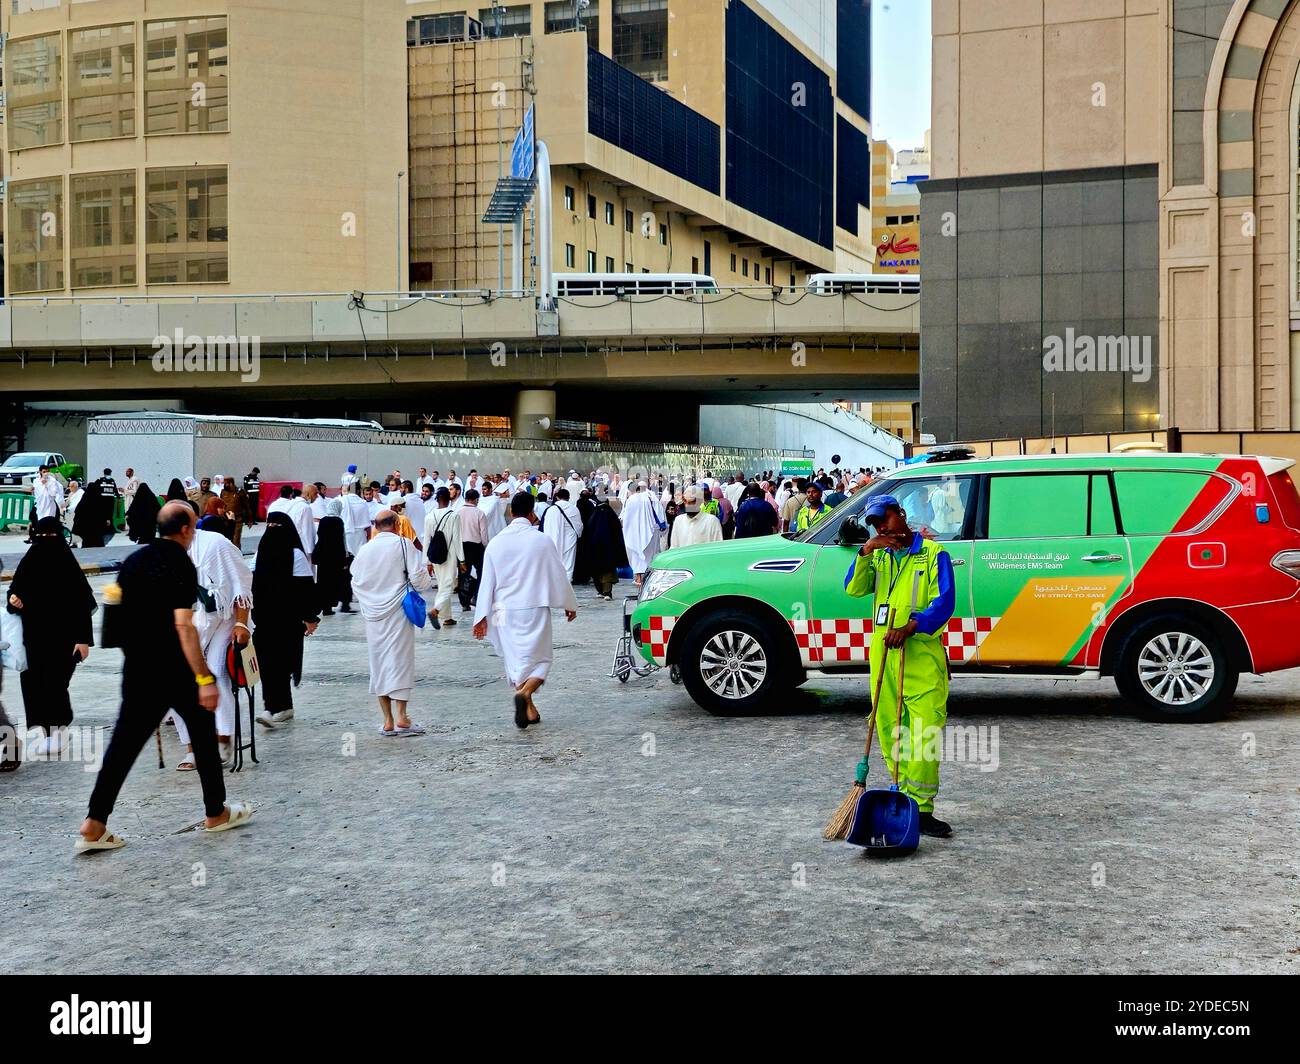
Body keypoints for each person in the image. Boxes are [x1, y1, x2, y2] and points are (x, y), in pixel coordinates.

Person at [77, 503, 253, 853]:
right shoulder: (180, 565)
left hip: (138, 670)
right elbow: (184, 627)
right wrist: (204, 679)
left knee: (123, 746)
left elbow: (115, 624)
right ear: (187, 529)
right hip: (175, 669)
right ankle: (215, 812)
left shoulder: (133, 561)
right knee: (203, 734)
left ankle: (94, 822)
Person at [844, 494, 957, 838]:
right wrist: (866, 551)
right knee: (890, 728)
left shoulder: (934, 555)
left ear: (902, 514)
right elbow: (852, 588)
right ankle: (901, 796)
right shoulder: (879, 556)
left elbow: (945, 602)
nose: (881, 527)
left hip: (920, 656)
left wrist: (912, 626)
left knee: (923, 733)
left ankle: (921, 808)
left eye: (885, 519)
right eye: (875, 523)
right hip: (884, 657)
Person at [473, 493, 578, 729]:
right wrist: (569, 603)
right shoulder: (541, 541)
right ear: (532, 513)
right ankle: (524, 693)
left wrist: (480, 616)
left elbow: (486, 581)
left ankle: (530, 709)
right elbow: (558, 574)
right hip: (533, 607)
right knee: (541, 659)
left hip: (502, 610)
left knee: (515, 659)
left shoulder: (497, 543)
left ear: (511, 513)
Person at [5, 518, 97, 756]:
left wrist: (83, 639)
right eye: (42, 536)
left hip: (64, 638)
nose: (45, 542)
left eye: (50, 536)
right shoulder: (31, 560)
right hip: (34, 638)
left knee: (55, 684)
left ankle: (59, 731)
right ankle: (47, 733)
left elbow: (82, 602)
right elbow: (14, 591)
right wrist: (13, 600)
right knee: (35, 685)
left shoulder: (67, 564)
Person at [168, 520, 253, 768]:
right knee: (179, 680)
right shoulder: (162, 551)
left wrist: (242, 624)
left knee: (216, 672)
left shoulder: (217, 545)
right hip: (187, 621)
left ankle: (223, 738)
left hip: (223, 617)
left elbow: (241, 584)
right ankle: (192, 747)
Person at [350, 510, 433, 737]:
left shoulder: (365, 550)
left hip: (373, 616)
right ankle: (402, 717)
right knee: (400, 660)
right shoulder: (404, 544)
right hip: (398, 612)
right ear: (397, 524)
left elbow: (355, 581)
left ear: (375, 526)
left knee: (378, 662)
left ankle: (387, 720)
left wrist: (369, 601)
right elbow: (419, 578)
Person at [252, 516, 319, 727]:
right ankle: (273, 707)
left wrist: (309, 618)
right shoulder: (259, 553)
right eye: (269, 526)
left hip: (288, 619)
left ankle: (278, 707)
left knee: (281, 663)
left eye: (275, 526)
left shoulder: (296, 555)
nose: (271, 530)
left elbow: (305, 589)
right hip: (263, 619)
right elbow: (251, 585)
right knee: (266, 664)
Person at [423, 487, 462, 629]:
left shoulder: (429, 516)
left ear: (436, 499)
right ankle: (436, 610)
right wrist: (462, 560)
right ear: (449, 498)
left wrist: (427, 562)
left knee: (442, 585)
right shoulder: (454, 515)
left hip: (434, 556)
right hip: (450, 556)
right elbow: (458, 540)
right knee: (448, 585)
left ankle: (447, 618)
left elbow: (426, 541)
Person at [583, 492, 628, 600]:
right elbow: (618, 534)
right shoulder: (611, 515)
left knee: (596, 572)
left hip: (595, 550)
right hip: (610, 551)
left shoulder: (594, 515)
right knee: (608, 571)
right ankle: (607, 592)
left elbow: (588, 532)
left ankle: (601, 591)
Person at [620, 482, 666, 585]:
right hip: (650, 530)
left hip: (633, 532)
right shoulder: (650, 497)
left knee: (636, 555)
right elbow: (659, 513)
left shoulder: (631, 499)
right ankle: (649, 578)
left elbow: (625, 517)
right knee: (649, 556)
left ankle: (638, 578)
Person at [314, 498, 350, 616]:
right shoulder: (338, 521)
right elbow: (341, 540)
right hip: (335, 557)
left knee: (323, 582)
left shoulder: (323, 520)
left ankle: (326, 607)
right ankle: (334, 604)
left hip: (323, 557)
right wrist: (345, 556)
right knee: (334, 582)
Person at [457, 488, 489, 612]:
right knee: (481, 572)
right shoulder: (479, 513)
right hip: (476, 547)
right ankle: (476, 596)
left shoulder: (458, 513)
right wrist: (485, 547)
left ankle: (464, 602)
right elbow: (484, 534)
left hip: (462, 548)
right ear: (476, 499)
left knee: (463, 574)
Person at [541, 487, 582, 580]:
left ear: (558, 497)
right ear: (568, 497)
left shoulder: (551, 509)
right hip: (570, 537)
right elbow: (579, 526)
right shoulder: (574, 509)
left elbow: (546, 526)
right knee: (568, 560)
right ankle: (567, 581)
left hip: (553, 537)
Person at [71, 481, 111, 548]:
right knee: (98, 543)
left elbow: (78, 511)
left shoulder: (85, 498)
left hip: (85, 530)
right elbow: (104, 511)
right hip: (97, 529)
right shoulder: (99, 498)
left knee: (87, 543)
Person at [62, 478, 84, 547]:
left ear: (75, 487)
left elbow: (77, 503)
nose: (69, 488)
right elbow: (67, 502)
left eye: (70, 486)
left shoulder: (80, 492)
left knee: (73, 528)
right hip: (69, 513)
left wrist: (68, 508)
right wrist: (62, 507)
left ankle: (74, 542)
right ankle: (72, 542)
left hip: (75, 512)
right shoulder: (71, 493)